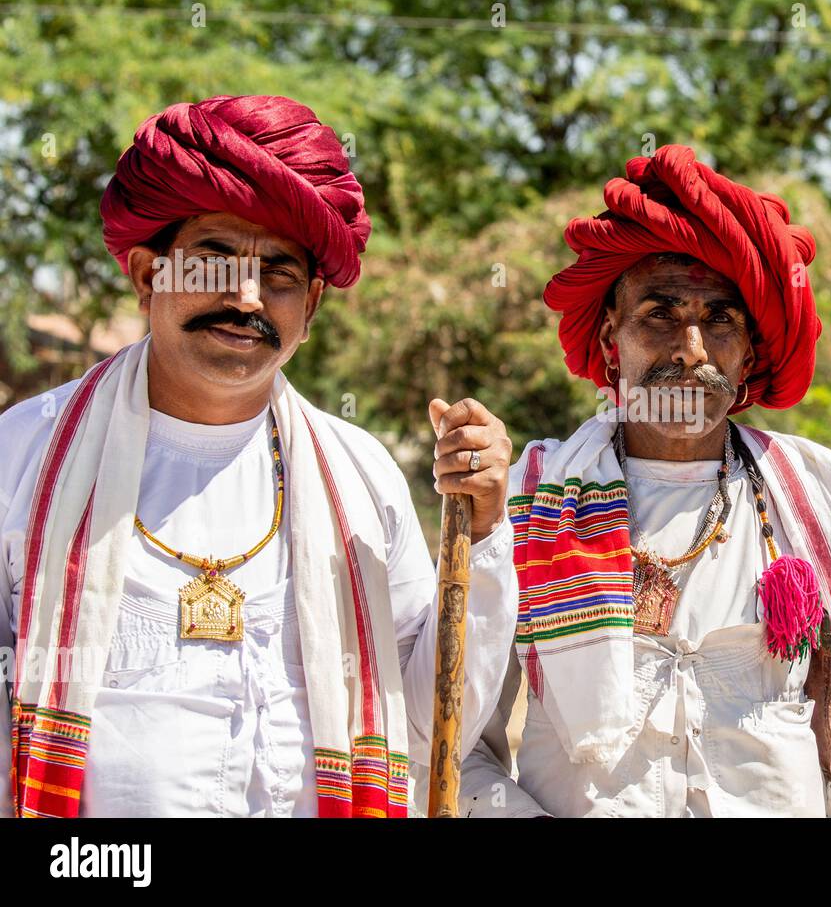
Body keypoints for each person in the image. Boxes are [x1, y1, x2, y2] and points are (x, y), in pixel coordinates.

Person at [1, 95, 515, 817]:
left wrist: (485, 531)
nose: (246, 298)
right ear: (150, 276)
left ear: (310, 303)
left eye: (277, 274)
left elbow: (427, 726)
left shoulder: (362, 478)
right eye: (213, 263)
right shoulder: (23, 455)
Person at [460, 145, 831, 817]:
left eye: (720, 319)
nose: (691, 350)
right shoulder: (525, 499)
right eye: (661, 315)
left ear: (751, 349)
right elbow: (461, 750)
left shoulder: (814, 497)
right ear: (612, 339)